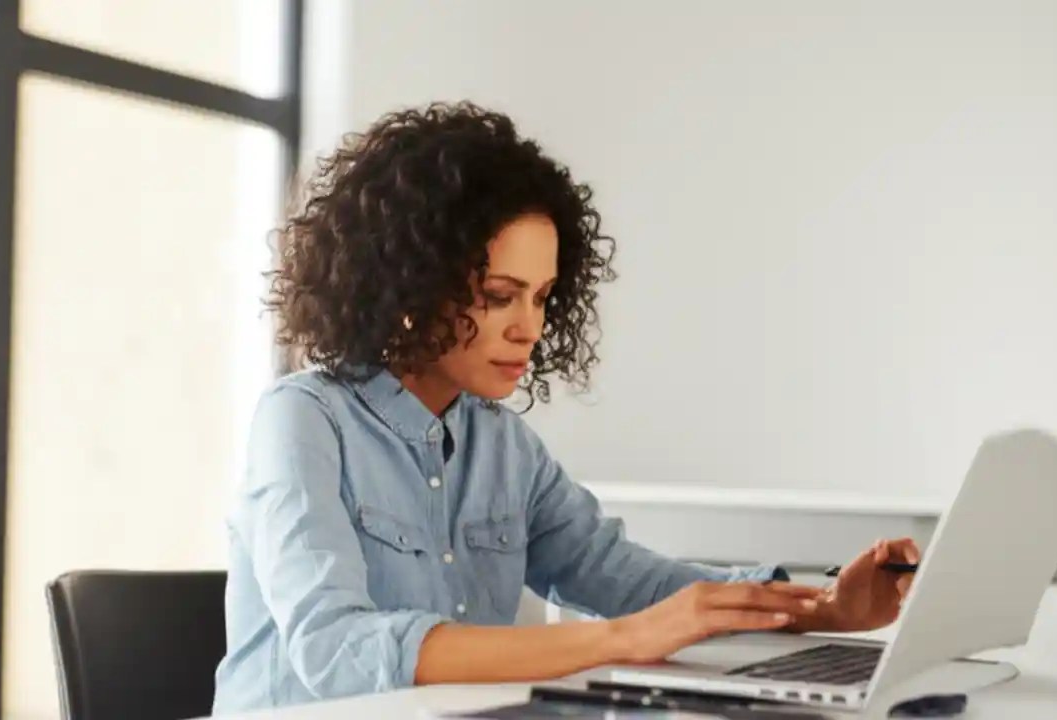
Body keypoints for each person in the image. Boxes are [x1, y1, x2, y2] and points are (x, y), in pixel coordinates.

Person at [211, 101, 920, 713]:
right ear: (408, 284)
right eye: (499, 296)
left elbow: (631, 581)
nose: (530, 326)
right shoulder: (303, 421)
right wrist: (622, 641)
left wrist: (824, 608)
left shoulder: (504, 447)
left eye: (543, 297)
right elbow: (335, 651)